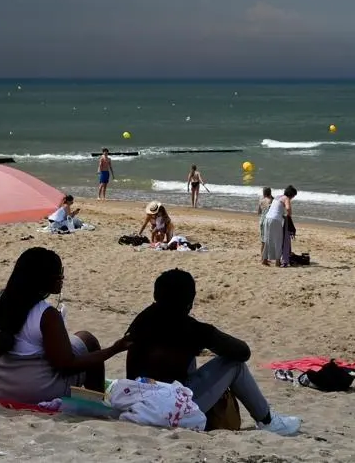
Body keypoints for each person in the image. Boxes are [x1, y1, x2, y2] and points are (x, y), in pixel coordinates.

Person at [125, 268, 300, 435]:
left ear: (156, 295)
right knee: (234, 365)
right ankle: (267, 420)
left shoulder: (143, 319)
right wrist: (209, 340)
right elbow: (242, 352)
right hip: (170, 408)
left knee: (187, 360)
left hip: (136, 401)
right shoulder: (190, 328)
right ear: (190, 301)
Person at [0, 247, 128, 403]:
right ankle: (96, 402)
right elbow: (65, 365)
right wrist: (114, 349)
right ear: (43, 278)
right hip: (33, 391)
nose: (62, 277)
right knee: (88, 341)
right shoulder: (47, 314)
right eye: (59, 273)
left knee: (78, 340)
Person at [263, 186, 297, 267]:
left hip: (267, 218)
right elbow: (288, 209)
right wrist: (289, 216)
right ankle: (277, 262)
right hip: (275, 220)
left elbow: (274, 208)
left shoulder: (278, 197)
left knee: (268, 240)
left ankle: (264, 260)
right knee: (278, 240)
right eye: (293, 196)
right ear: (291, 195)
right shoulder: (286, 198)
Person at [257, 187, 274, 262]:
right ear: (270, 193)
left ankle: (263, 257)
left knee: (263, 241)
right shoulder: (271, 200)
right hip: (267, 221)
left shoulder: (261, 200)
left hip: (261, 220)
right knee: (267, 241)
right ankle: (264, 259)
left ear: (263, 193)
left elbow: (259, 212)